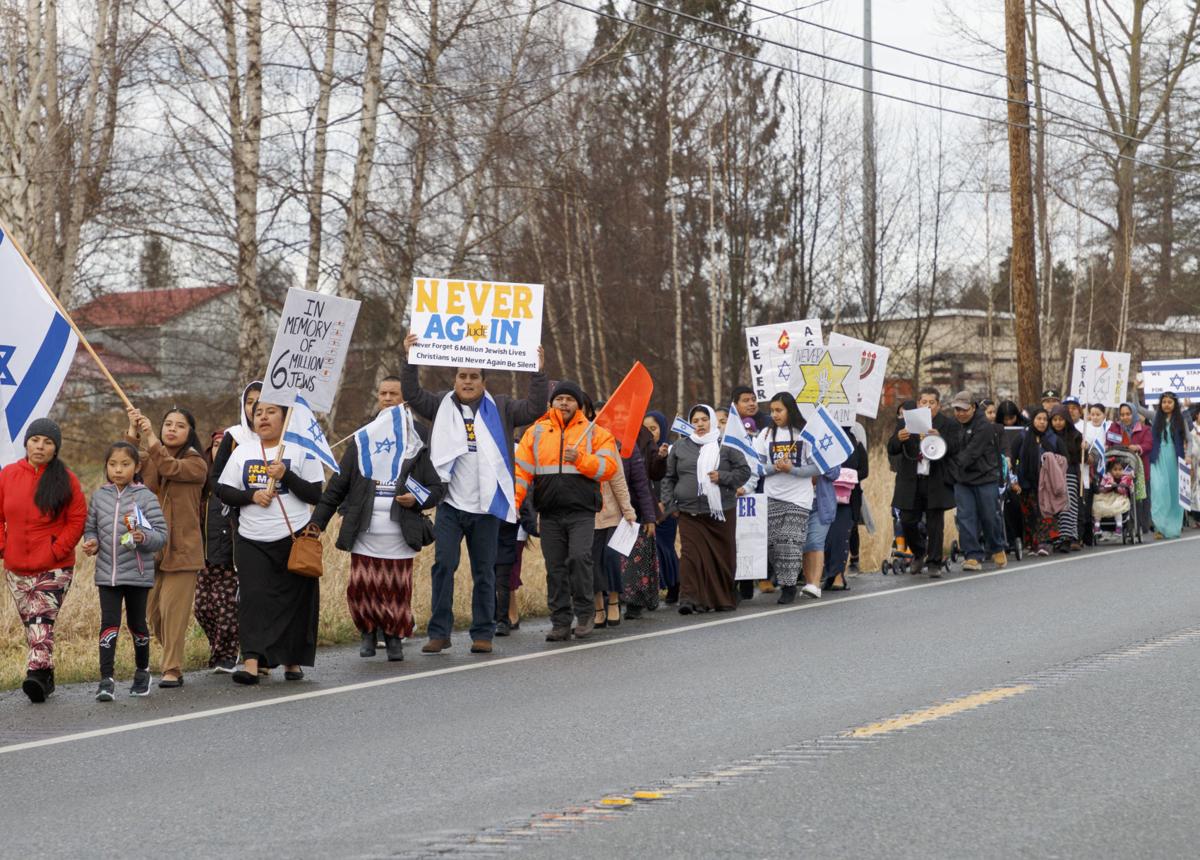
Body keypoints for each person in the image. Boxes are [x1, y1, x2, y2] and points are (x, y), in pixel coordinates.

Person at [402, 333, 548, 655]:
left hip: (486, 507)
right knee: (444, 565)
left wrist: (538, 373)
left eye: (473, 377)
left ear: (483, 381)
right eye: (462, 376)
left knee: (485, 571)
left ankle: (483, 632)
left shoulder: (503, 407)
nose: (467, 382)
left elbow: (536, 407)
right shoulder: (441, 404)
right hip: (451, 505)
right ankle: (439, 632)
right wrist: (409, 357)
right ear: (455, 379)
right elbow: (411, 394)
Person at [312, 403, 444, 662]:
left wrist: (416, 500)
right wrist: (316, 524)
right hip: (365, 536)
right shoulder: (360, 449)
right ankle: (368, 632)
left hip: (400, 537)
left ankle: (394, 636)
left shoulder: (415, 453)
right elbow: (336, 489)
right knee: (362, 589)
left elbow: (436, 490)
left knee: (396, 590)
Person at [216, 401, 325, 685]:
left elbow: (316, 494)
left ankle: (292, 662)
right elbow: (224, 490)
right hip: (252, 539)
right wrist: (251, 497)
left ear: (285, 418)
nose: (263, 417)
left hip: (293, 537)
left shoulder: (301, 449)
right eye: (258, 412)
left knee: (294, 601)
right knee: (253, 599)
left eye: (270, 412)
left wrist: (285, 475)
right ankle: (251, 662)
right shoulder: (243, 452)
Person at [513, 380, 619, 641]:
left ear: (579, 404)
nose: (564, 403)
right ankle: (560, 621)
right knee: (556, 568)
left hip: (582, 512)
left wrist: (581, 459)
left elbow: (609, 468)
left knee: (580, 558)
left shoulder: (596, 433)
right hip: (548, 513)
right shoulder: (535, 432)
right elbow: (521, 472)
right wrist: (515, 504)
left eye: (569, 399)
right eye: (559, 399)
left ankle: (584, 615)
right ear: (551, 403)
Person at [0, 418, 88, 702]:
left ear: (55, 449)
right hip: (16, 568)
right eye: (36, 440)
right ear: (27, 443)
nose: (40, 446)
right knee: (34, 625)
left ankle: (35, 675)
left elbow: (77, 518)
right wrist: (3, 547)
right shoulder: (8, 475)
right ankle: (47, 677)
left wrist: (57, 549)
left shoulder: (67, 480)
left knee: (41, 619)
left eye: (47, 442)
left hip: (54, 567)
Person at [126, 406, 208, 688]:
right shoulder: (149, 459)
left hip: (183, 551)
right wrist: (133, 431)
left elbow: (170, 468)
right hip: (152, 549)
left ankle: (172, 668)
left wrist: (151, 438)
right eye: (167, 423)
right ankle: (173, 654)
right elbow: (123, 463)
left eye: (180, 425)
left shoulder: (196, 463)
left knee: (173, 612)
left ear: (190, 433)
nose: (172, 428)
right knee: (154, 614)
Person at [81, 442, 167, 701]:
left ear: (137, 467)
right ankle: (106, 681)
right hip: (107, 574)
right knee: (109, 625)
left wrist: (143, 537)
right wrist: (91, 543)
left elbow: (161, 536)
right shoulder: (99, 496)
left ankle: (142, 672)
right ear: (106, 466)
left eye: (125, 464)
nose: (118, 470)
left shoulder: (146, 497)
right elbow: (91, 528)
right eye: (113, 464)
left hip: (138, 574)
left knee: (137, 624)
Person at [661, 405, 751, 614]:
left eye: (704, 420)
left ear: (712, 421)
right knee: (690, 556)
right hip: (689, 512)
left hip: (721, 513)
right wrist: (670, 504)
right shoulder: (680, 447)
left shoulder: (726, 446)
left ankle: (720, 599)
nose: (700, 424)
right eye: (695, 421)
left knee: (721, 558)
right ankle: (689, 599)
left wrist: (723, 477)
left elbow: (744, 471)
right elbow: (669, 478)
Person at [204, 380, 262, 672]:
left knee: (251, 598)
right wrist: (245, 495)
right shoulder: (234, 437)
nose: (256, 408)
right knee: (210, 604)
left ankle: (254, 654)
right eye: (250, 402)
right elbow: (217, 481)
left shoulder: (282, 440)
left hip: (266, 530)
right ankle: (231, 651)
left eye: (262, 402)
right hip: (230, 529)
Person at [886, 387, 959, 576]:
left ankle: (934, 562)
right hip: (910, 480)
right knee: (907, 521)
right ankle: (919, 552)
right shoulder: (906, 422)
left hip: (935, 479)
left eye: (931, 403)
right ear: (918, 404)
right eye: (923, 402)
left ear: (938, 405)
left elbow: (956, 447)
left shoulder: (947, 424)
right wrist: (899, 438)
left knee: (935, 523)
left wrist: (939, 438)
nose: (927, 406)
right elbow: (892, 448)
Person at [754, 393, 818, 604]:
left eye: (779, 410)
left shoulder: (804, 434)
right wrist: (775, 467)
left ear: (790, 410)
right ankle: (785, 577)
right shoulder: (765, 435)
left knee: (789, 542)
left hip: (799, 497)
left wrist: (792, 469)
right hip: (773, 495)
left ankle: (789, 587)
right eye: (772, 410)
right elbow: (758, 468)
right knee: (773, 544)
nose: (775, 414)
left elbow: (815, 467)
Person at [949, 391, 1007, 571]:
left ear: (973, 408)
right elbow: (948, 448)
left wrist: (954, 463)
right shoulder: (953, 426)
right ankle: (972, 555)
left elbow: (972, 452)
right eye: (957, 409)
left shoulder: (984, 426)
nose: (960, 413)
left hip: (986, 477)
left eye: (964, 409)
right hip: (962, 480)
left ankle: (997, 547)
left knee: (990, 516)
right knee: (965, 517)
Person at [199, 430, 239, 672]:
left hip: (230, 558)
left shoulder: (238, 482)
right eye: (216, 444)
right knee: (202, 608)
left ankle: (226, 655)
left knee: (226, 609)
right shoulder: (203, 483)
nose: (220, 449)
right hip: (203, 557)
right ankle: (219, 646)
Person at [822, 422, 869, 590]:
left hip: (848, 497)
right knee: (826, 536)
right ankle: (829, 573)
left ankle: (837, 575)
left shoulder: (855, 443)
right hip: (824, 495)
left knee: (841, 535)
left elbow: (864, 470)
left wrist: (845, 477)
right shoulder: (823, 441)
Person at [1014, 407, 1064, 556]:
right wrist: (1014, 481)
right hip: (1026, 483)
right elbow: (1012, 459)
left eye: (1044, 419)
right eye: (1038, 419)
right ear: (1033, 420)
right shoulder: (1022, 437)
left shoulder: (1053, 439)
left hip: (1047, 485)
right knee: (1030, 514)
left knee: (1045, 513)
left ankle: (1045, 543)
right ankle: (1032, 544)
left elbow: (1063, 459)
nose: (1042, 422)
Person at [643, 411, 680, 604]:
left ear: (662, 429)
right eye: (646, 429)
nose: (650, 433)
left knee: (664, 548)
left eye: (653, 429)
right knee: (649, 550)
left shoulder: (671, 450)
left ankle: (675, 584)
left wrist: (664, 506)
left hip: (666, 508)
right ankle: (652, 589)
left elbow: (673, 480)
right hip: (647, 509)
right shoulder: (640, 451)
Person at [1149, 392, 1187, 540]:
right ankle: (1158, 526)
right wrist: (1134, 393)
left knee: (1173, 493)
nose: (1166, 404)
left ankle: (1172, 527)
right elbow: (1138, 408)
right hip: (1157, 458)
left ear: (1174, 404)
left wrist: (1188, 455)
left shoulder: (1181, 419)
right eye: (1163, 402)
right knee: (1158, 490)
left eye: (1169, 402)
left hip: (1174, 458)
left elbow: (1189, 439)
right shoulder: (1155, 417)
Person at [1049, 405, 1084, 551]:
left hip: (1069, 472)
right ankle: (1059, 537)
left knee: (1069, 505)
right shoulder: (1047, 436)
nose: (1058, 423)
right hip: (1052, 474)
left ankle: (1068, 537)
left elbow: (1081, 459)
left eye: (1061, 419)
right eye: (1055, 419)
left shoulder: (1075, 435)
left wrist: (1084, 449)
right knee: (1056, 506)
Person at [1117, 402, 1153, 533]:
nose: (1125, 417)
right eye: (1122, 415)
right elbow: (1111, 443)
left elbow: (1149, 445)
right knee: (1125, 496)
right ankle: (1128, 525)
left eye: (1128, 414)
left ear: (1134, 414)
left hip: (1141, 469)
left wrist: (1138, 447)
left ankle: (1144, 525)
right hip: (1121, 469)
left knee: (1143, 498)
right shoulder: (1117, 429)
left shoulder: (1144, 429)